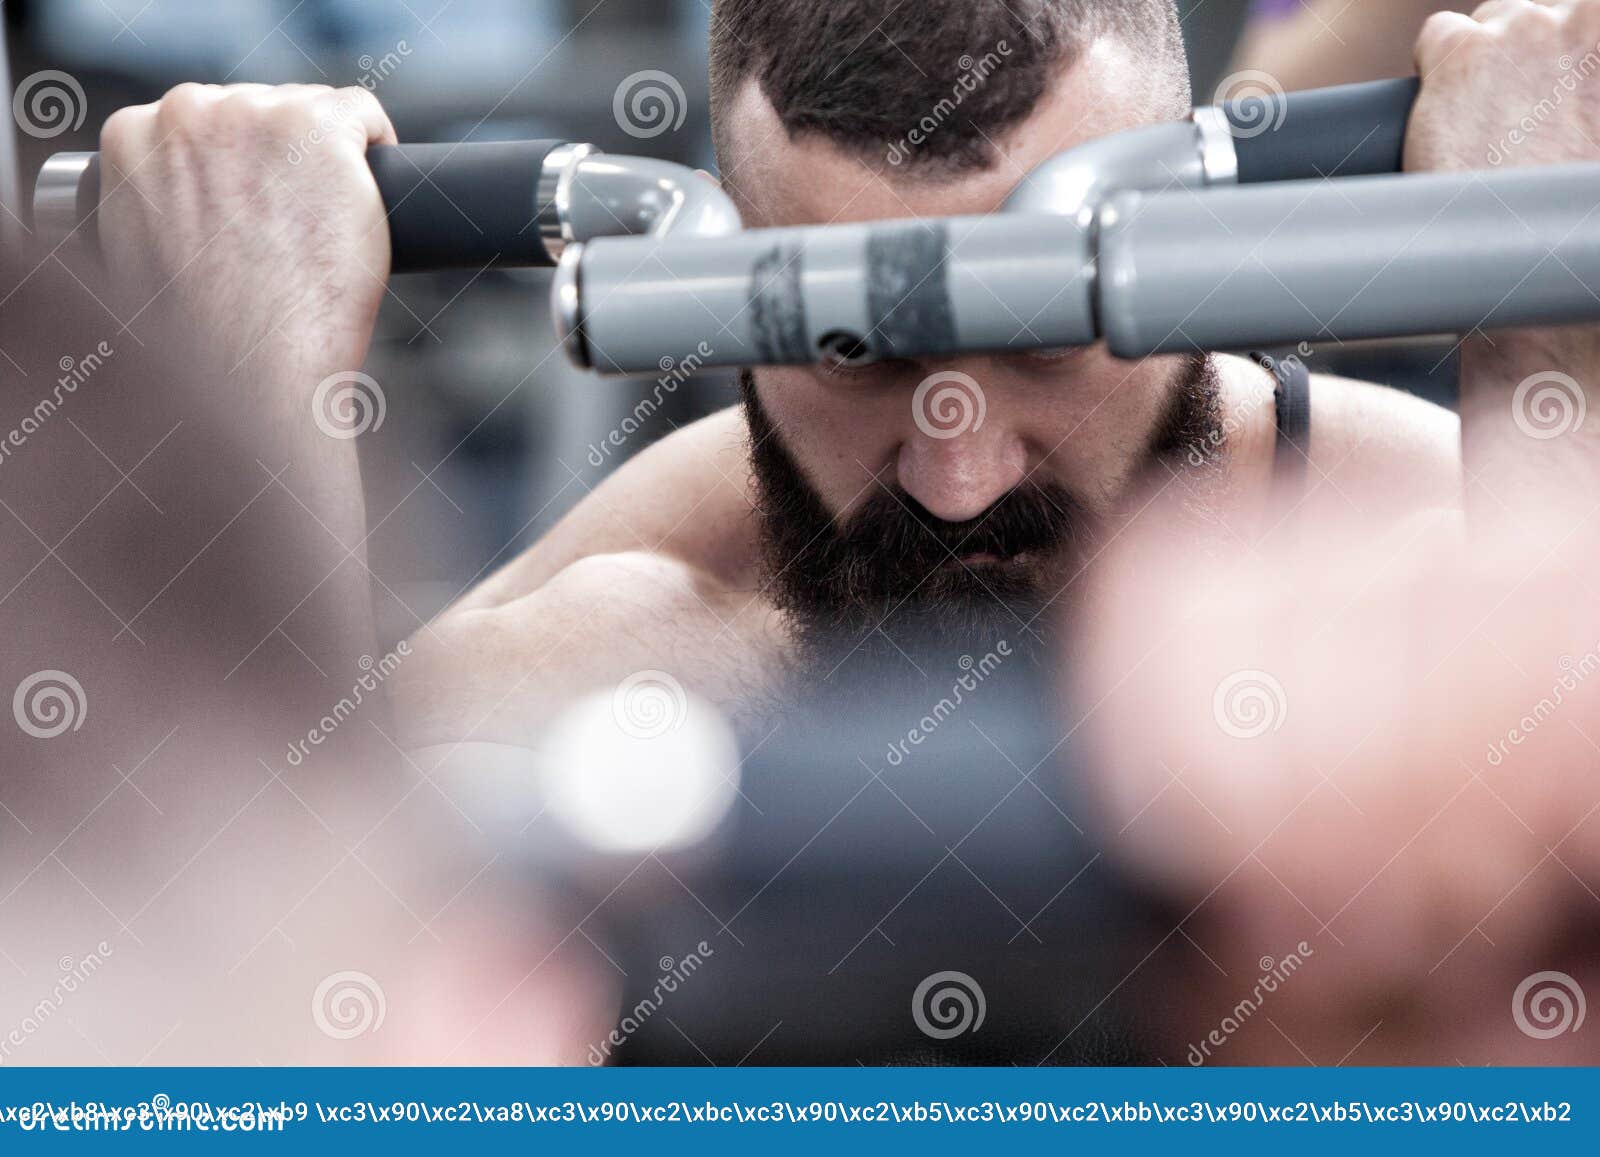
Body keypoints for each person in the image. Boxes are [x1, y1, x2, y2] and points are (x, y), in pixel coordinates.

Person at [88, 0, 1585, 752]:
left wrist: (1544, 345)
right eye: (851, 355)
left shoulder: (1447, 551)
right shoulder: (632, 652)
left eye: (1045, 335)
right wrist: (247, 385)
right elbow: (197, 1056)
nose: (959, 474)